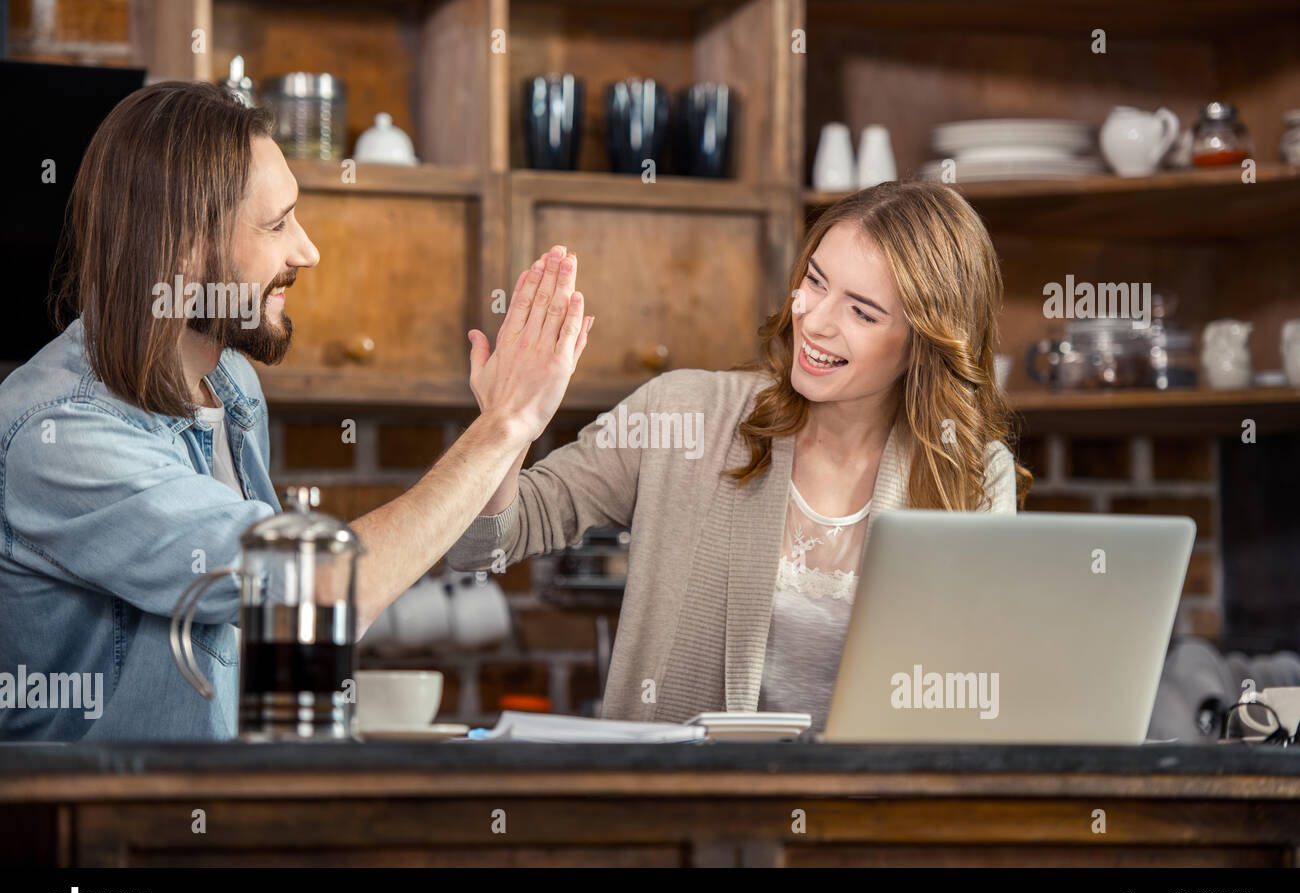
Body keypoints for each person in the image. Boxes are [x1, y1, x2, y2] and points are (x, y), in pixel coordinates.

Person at [0, 82, 592, 740]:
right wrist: (503, 426)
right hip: (90, 835)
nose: (306, 250)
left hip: (213, 823)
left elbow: (267, 639)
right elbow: (318, 596)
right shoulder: (63, 435)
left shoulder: (232, 384)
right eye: (277, 224)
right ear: (183, 249)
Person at [448, 181, 1034, 731]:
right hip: (684, 816)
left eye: (862, 311)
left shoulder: (973, 477)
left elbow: (977, 697)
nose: (816, 319)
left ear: (923, 346)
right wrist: (508, 425)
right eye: (817, 280)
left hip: (866, 823)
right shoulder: (682, 414)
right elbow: (481, 545)